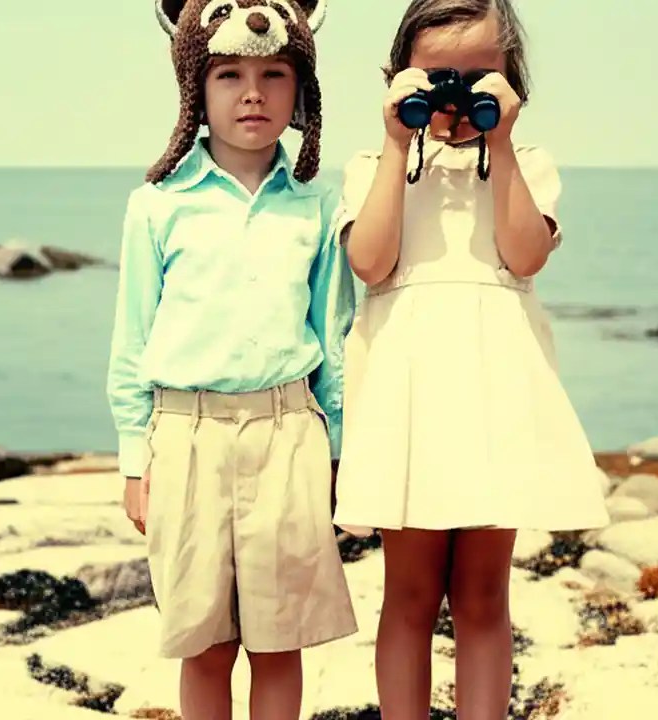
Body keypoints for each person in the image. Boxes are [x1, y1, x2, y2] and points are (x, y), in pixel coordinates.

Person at [330, 0, 611, 717]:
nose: (455, 94)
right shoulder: (372, 166)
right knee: (411, 593)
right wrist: (397, 145)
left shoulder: (530, 166)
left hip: (497, 393)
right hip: (409, 398)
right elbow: (370, 263)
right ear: (397, 79)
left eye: (478, 76)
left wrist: (504, 142)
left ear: (512, 79)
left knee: (484, 594)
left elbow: (524, 255)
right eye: (435, 76)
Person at [106, 1, 356, 719]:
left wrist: (337, 452)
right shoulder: (155, 205)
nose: (253, 93)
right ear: (196, 91)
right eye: (229, 74)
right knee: (206, 646)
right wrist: (133, 459)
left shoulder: (316, 205)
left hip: (289, 435)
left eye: (274, 73)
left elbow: (331, 336)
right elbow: (132, 338)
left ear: (300, 89)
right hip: (185, 437)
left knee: (281, 643)